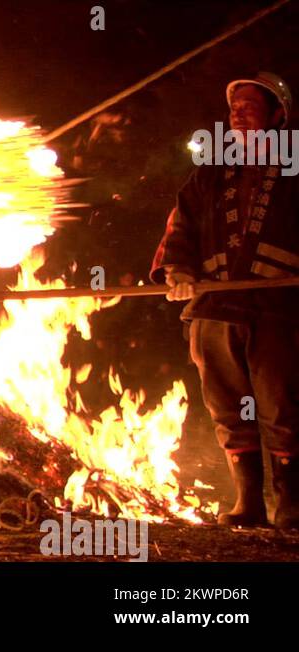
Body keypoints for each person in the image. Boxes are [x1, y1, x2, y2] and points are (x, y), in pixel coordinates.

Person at [150, 72, 299, 530]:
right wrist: (177, 272)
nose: (239, 112)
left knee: (282, 405)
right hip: (215, 307)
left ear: (278, 115)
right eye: (235, 107)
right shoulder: (210, 174)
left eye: (251, 104)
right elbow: (182, 229)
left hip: (279, 308)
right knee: (228, 409)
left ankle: (292, 505)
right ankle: (248, 503)